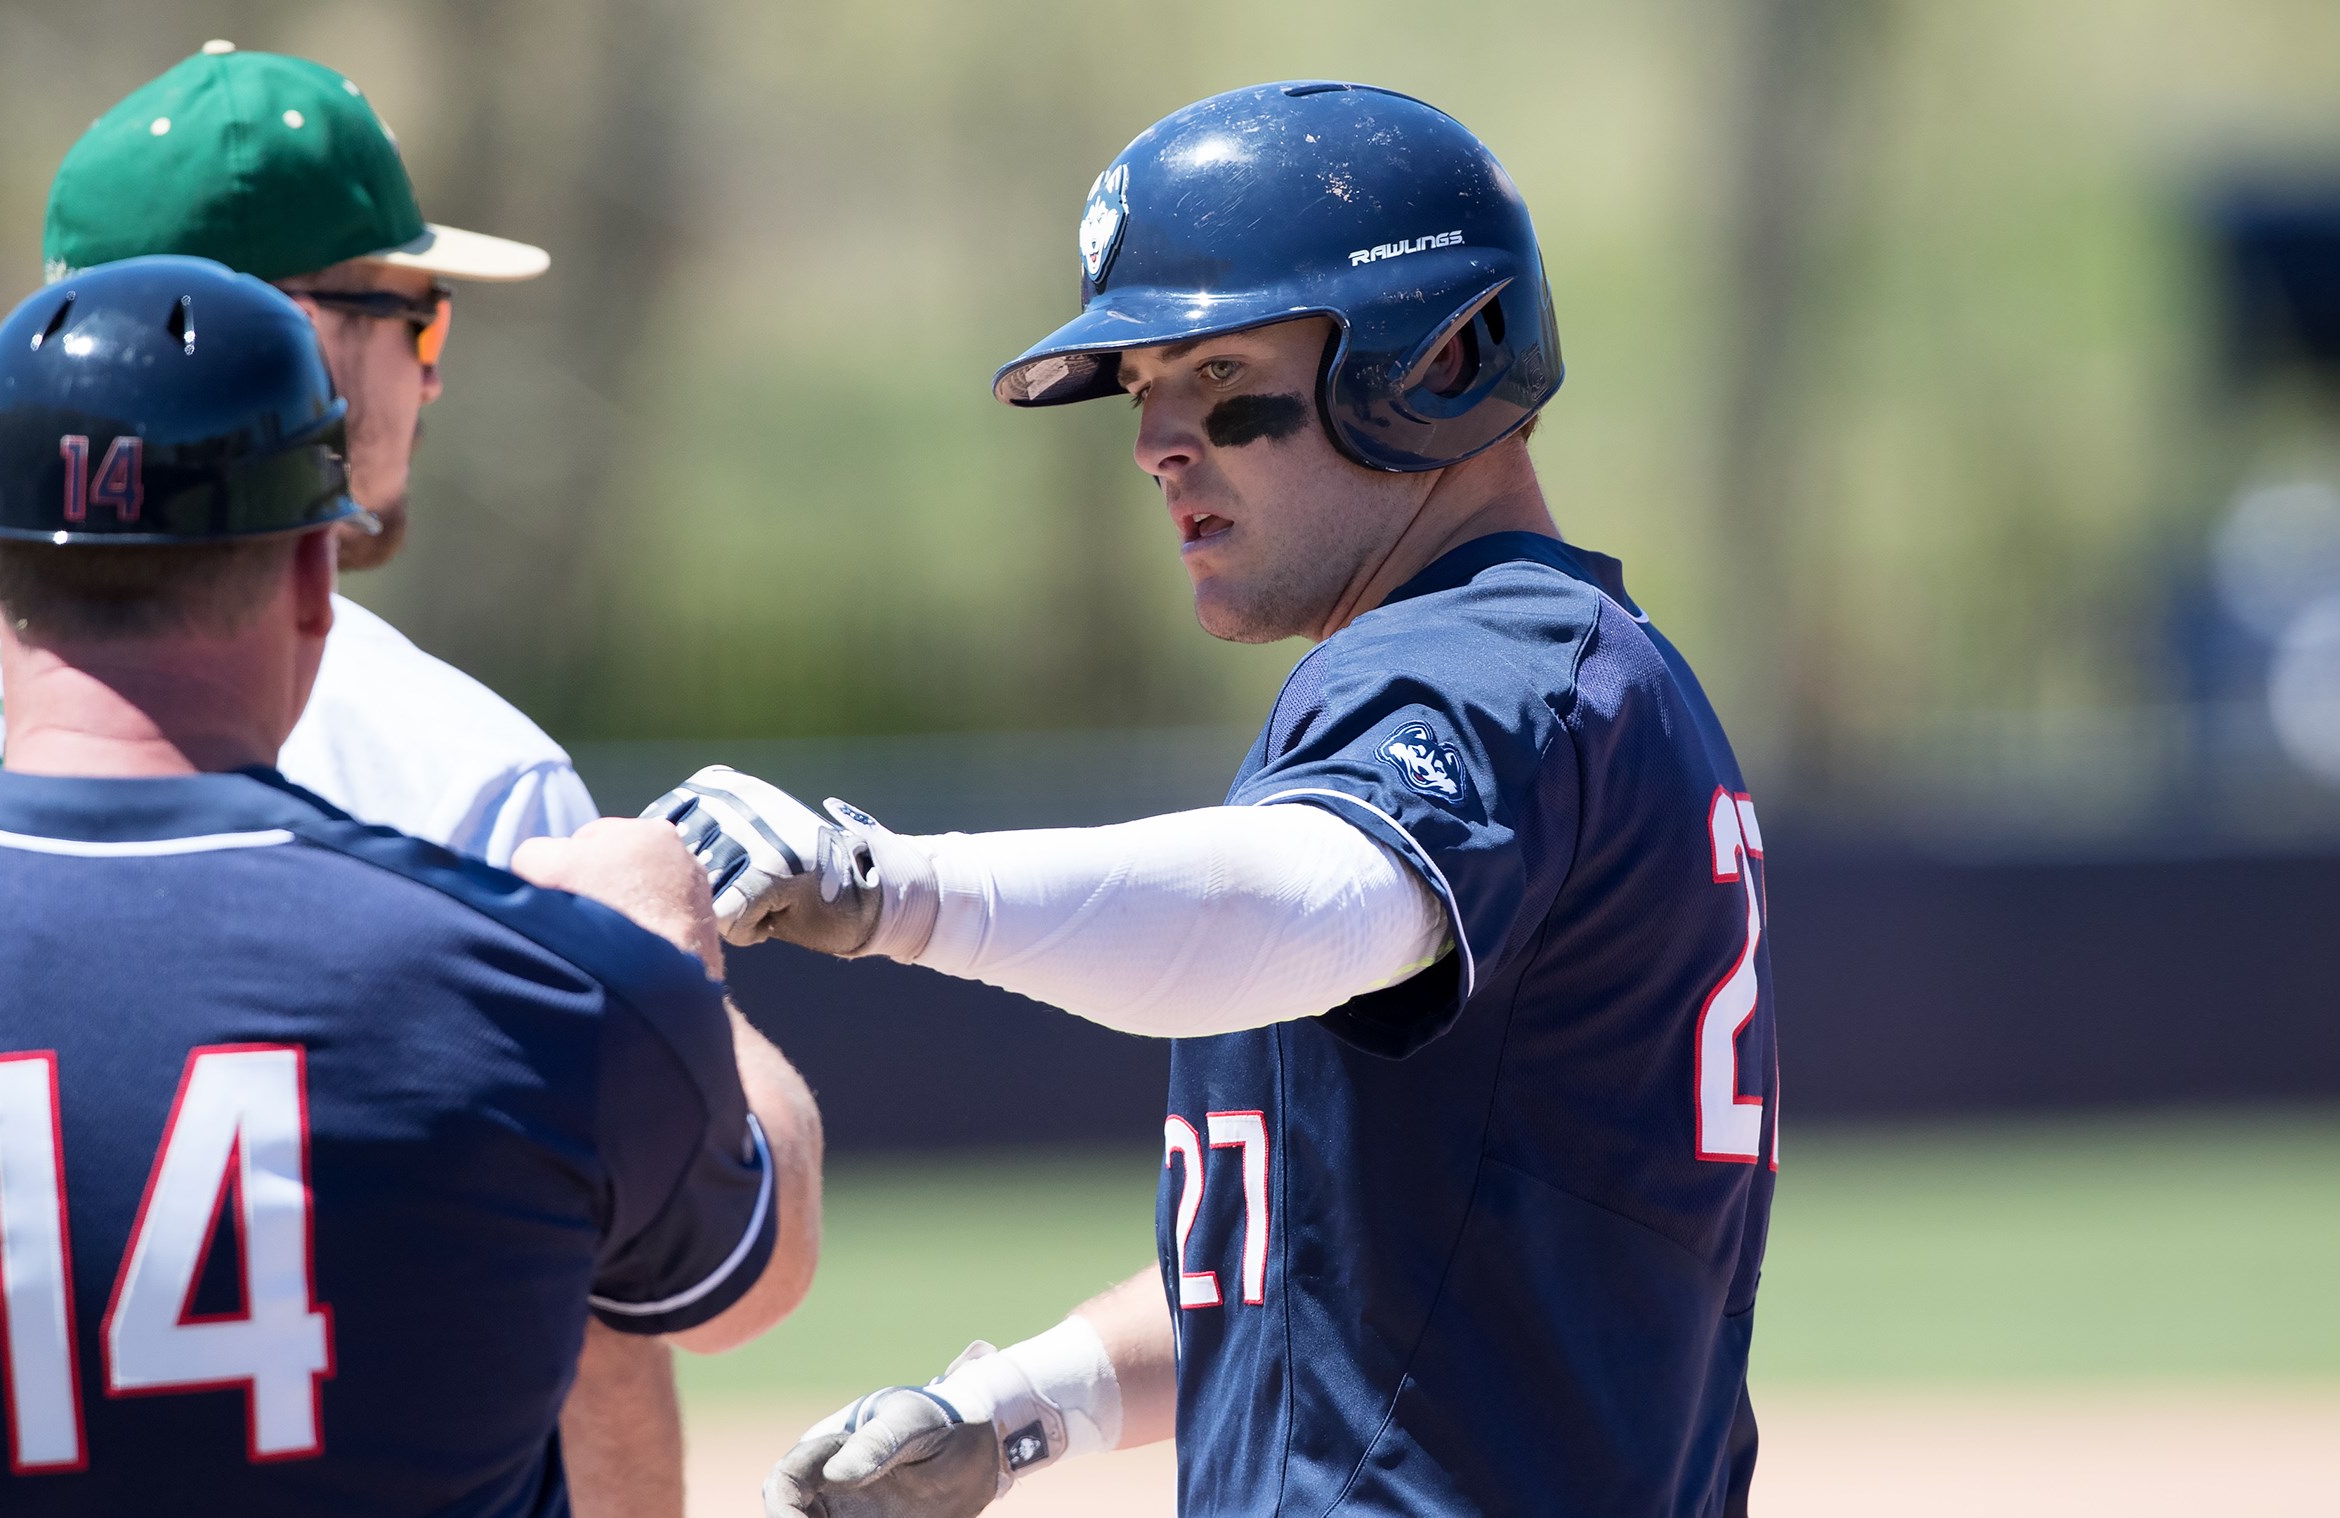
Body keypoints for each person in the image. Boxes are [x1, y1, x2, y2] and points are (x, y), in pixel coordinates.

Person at [651, 82, 1778, 1517]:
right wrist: (1014, 1409)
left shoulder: (1488, 666)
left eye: (1220, 374)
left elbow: (1305, 906)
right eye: (1143, 391)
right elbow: (1319, 1267)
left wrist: (885, 886)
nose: (1157, 444)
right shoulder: (1538, 668)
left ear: (1435, 355)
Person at [0, 44, 690, 1516]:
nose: (431, 380)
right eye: (418, 318)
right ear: (288, 336)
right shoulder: (456, 760)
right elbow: (604, 1322)